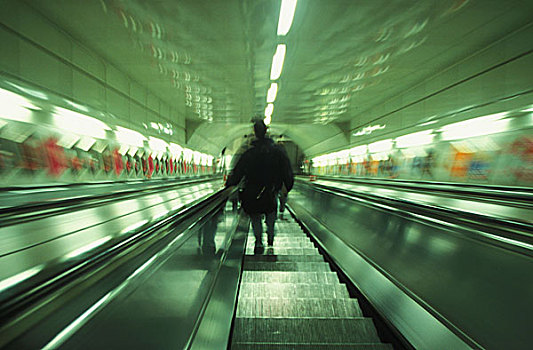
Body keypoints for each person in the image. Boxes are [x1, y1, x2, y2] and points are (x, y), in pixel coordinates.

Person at [226, 119, 293, 254]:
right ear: (266, 131)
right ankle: (271, 236)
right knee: (270, 215)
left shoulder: (249, 153)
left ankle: (258, 241)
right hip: (270, 190)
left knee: (256, 217)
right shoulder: (277, 152)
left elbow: (238, 171)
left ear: (255, 133)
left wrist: (229, 184)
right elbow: (287, 169)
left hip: (252, 192)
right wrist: (287, 186)